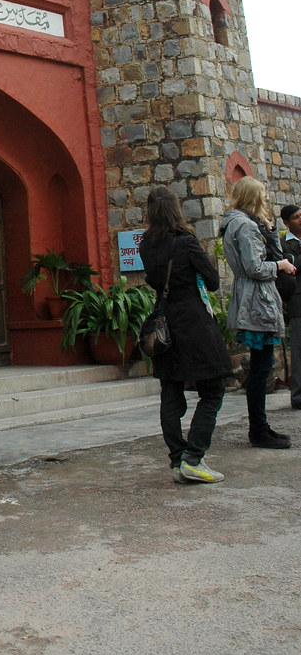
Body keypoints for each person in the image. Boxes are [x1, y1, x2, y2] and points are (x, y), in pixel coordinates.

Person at [139, 186, 231, 484]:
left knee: (171, 392)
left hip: (165, 322)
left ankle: (178, 460)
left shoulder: (146, 244)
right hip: (193, 321)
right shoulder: (185, 242)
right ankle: (194, 457)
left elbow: (154, 281)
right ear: (176, 209)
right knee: (213, 389)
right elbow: (214, 281)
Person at [219, 177, 296, 449]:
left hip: (250, 295)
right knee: (261, 367)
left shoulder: (236, 223)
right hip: (257, 297)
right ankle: (258, 428)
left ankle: (260, 426)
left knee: (261, 366)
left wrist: (269, 231)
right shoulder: (245, 226)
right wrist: (282, 266)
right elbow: (255, 267)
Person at [280, 204, 301, 410]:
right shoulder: (283, 245)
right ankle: (298, 396)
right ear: (286, 223)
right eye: (296, 217)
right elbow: (289, 266)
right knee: (299, 348)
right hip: (297, 300)